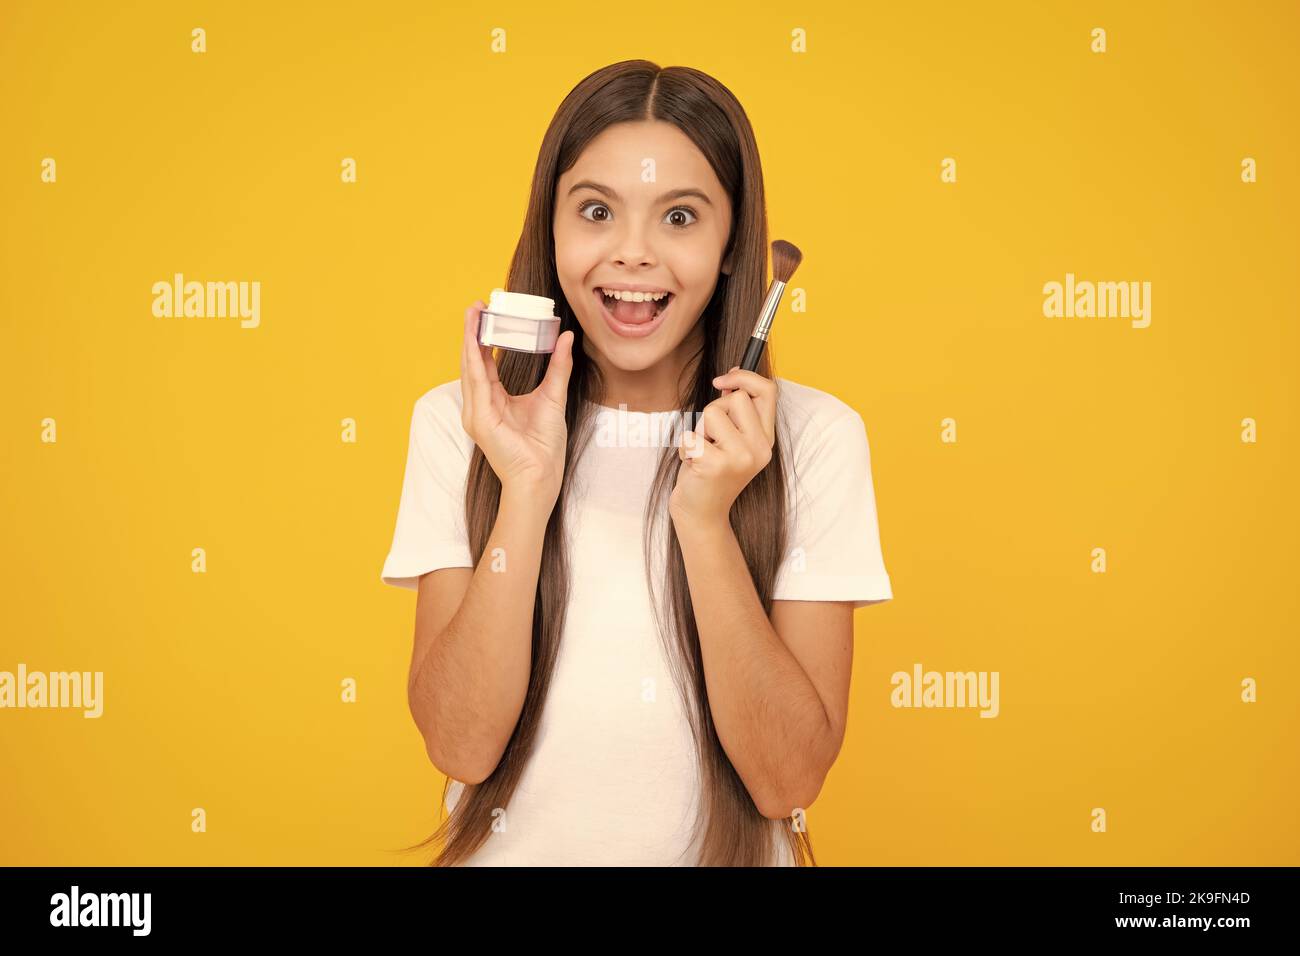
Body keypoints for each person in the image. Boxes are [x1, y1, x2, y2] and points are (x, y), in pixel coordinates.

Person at [381, 60, 892, 866]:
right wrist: (525, 486)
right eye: (595, 212)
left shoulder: (817, 438)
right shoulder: (461, 425)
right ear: (550, 231)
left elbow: (787, 780)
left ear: (733, 247)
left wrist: (703, 519)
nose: (633, 254)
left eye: (680, 217)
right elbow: (459, 746)